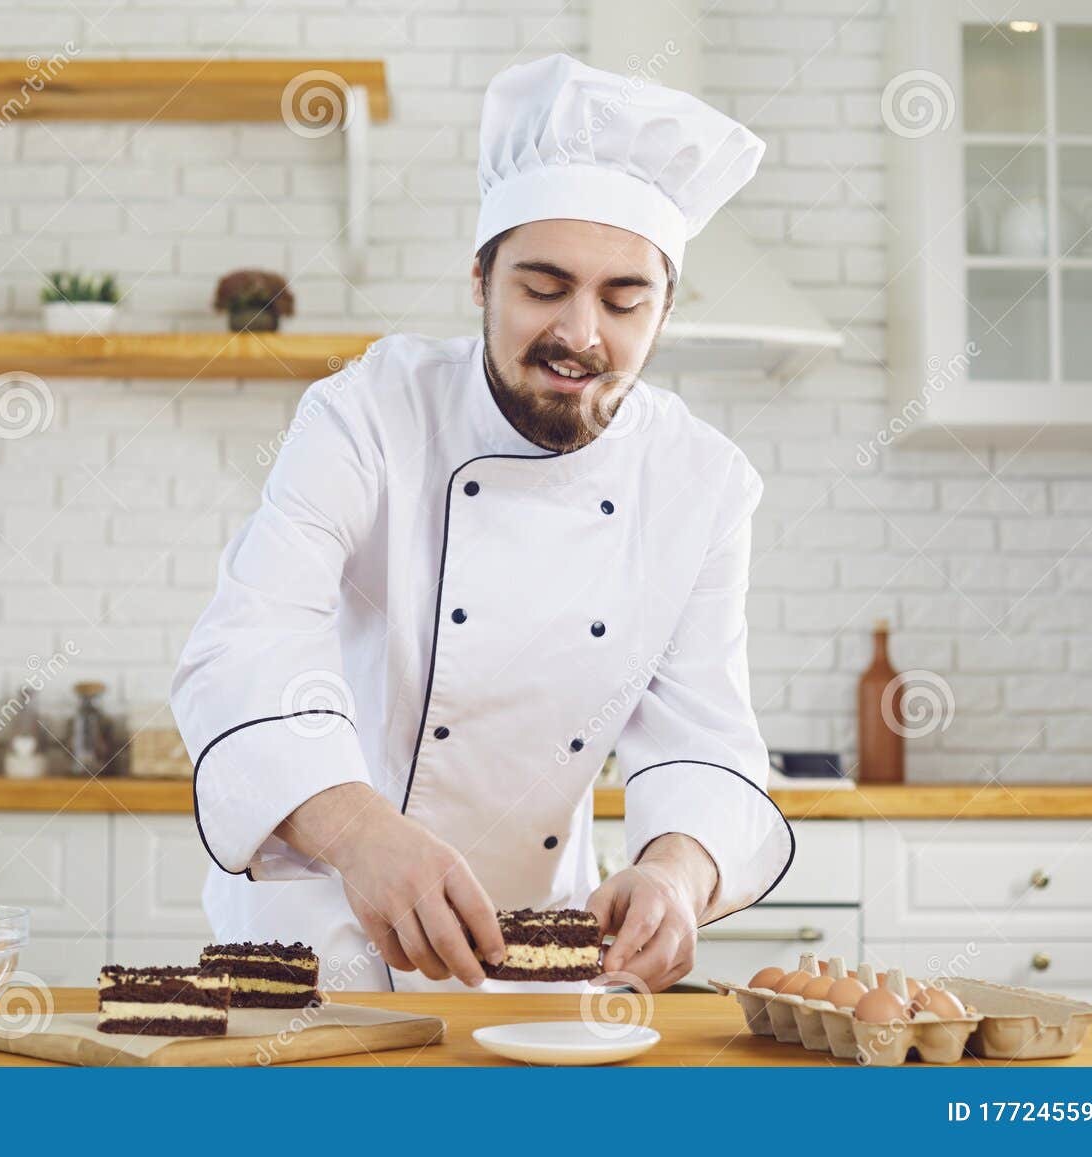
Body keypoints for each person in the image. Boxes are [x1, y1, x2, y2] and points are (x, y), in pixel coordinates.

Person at [172, 53, 794, 993]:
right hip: (321, 927)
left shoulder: (701, 482)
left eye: (625, 299)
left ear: (665, 309)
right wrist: (356, 831)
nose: (582, 334)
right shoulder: (369, 412)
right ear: (480, 280)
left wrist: (676, 871)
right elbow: (249, 644)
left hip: (543, 953)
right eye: (543, 287)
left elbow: (705, 736)